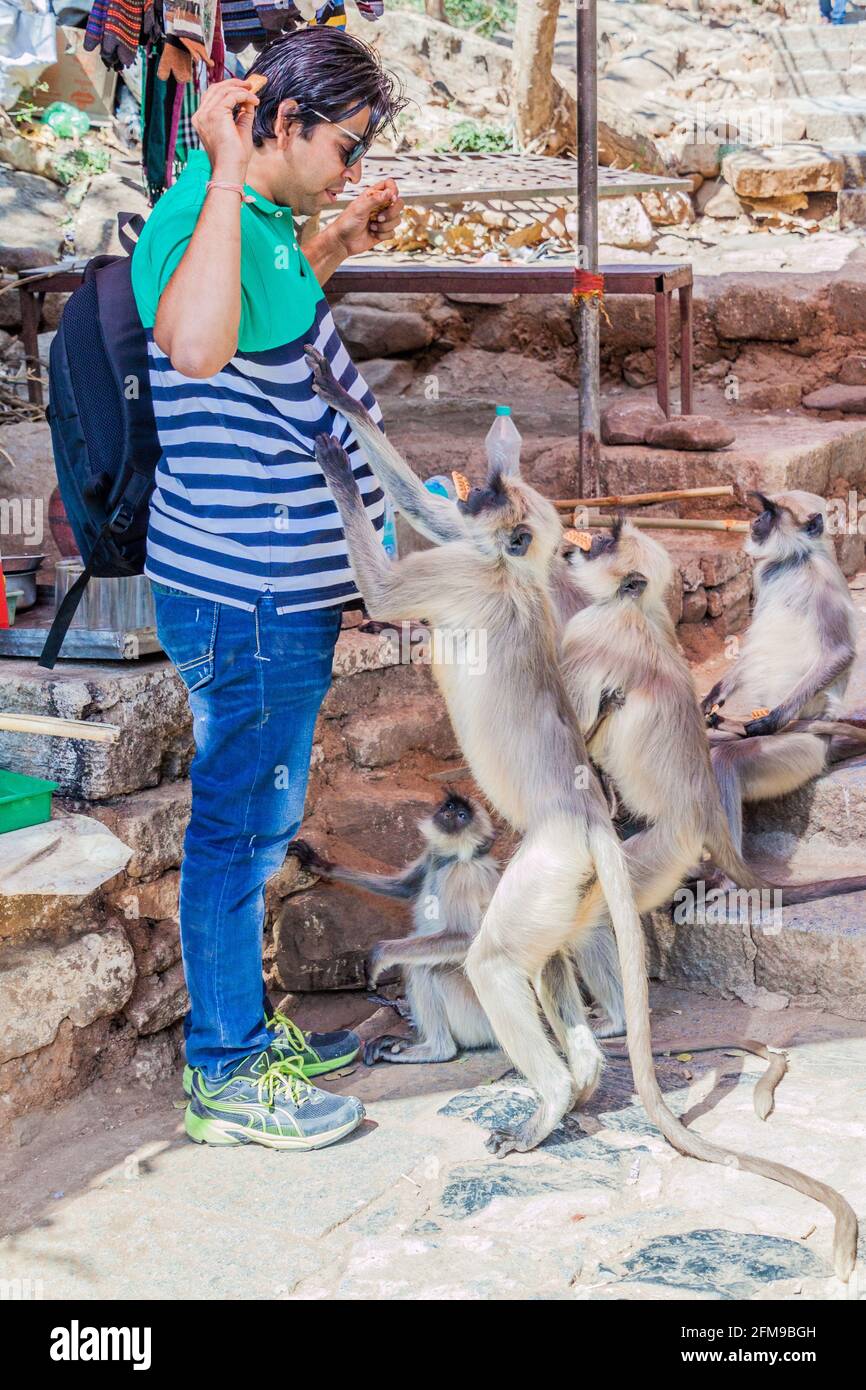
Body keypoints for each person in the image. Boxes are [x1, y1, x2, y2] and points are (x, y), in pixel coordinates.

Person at [130, 27, 406, 1150]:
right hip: (239, 591)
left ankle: (246, 1030)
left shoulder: (253, 226)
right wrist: (227, 169)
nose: (344, 167)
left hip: (277, 586)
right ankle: (225, 1071)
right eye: (338, 147)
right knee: (238, 828)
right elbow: (196, 344)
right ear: (280, 126)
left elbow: (259, 341)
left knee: (260, 817)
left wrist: (331, 240)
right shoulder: (205, 213)